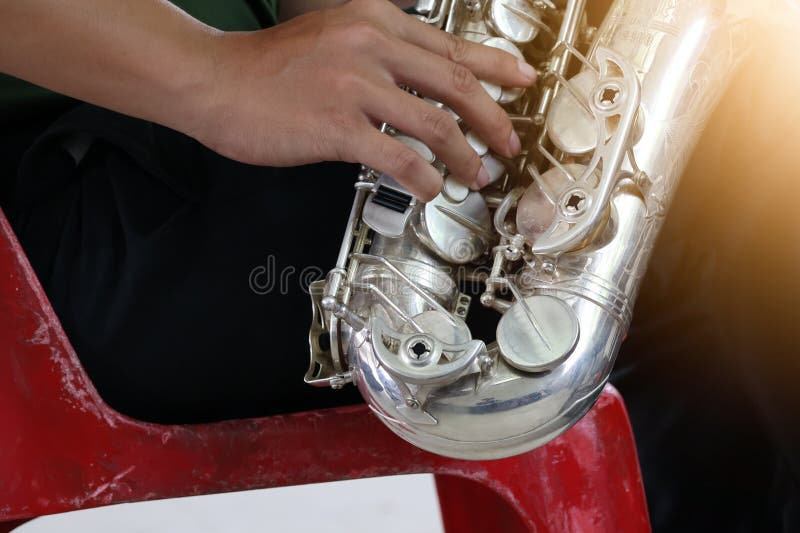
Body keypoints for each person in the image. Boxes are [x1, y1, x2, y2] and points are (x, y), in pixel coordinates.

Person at [2, 1, 799, 532]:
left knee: (746, 175)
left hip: (222, 87)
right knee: (702, 233)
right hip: (77, 162)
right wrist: (211, 71)